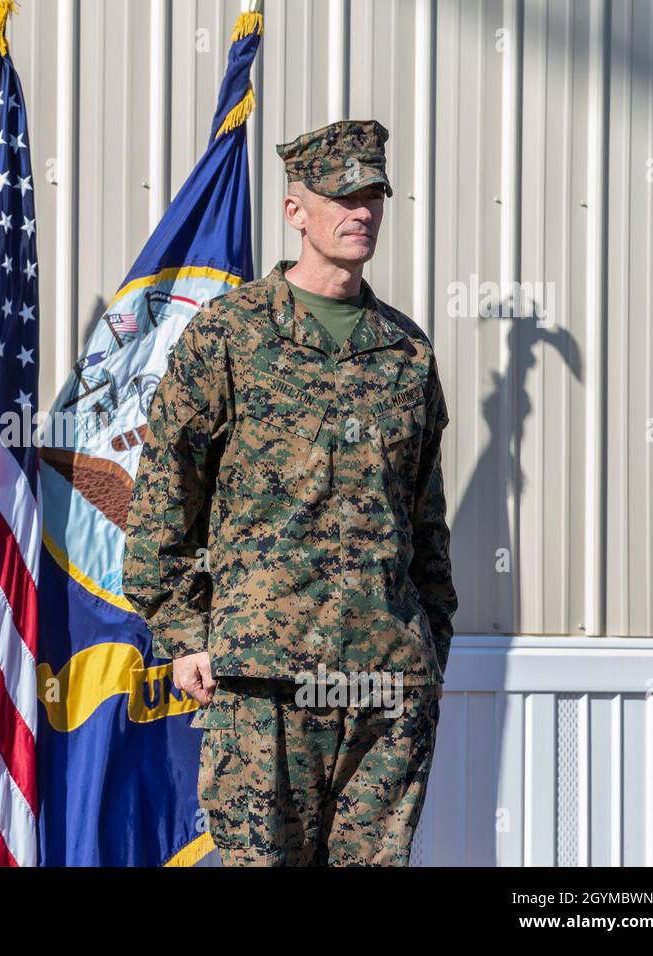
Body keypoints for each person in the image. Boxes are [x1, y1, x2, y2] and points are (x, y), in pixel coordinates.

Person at [122, 119, 457, 866]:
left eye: (372, 195)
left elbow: (425, 519)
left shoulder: (406, 353)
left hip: (385, 678)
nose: (361, 211)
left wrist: (430, 649)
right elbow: (163, 496)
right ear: (295, 211)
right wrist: (181, 633)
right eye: (342, 196)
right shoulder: (231, 336)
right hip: (263, 675)